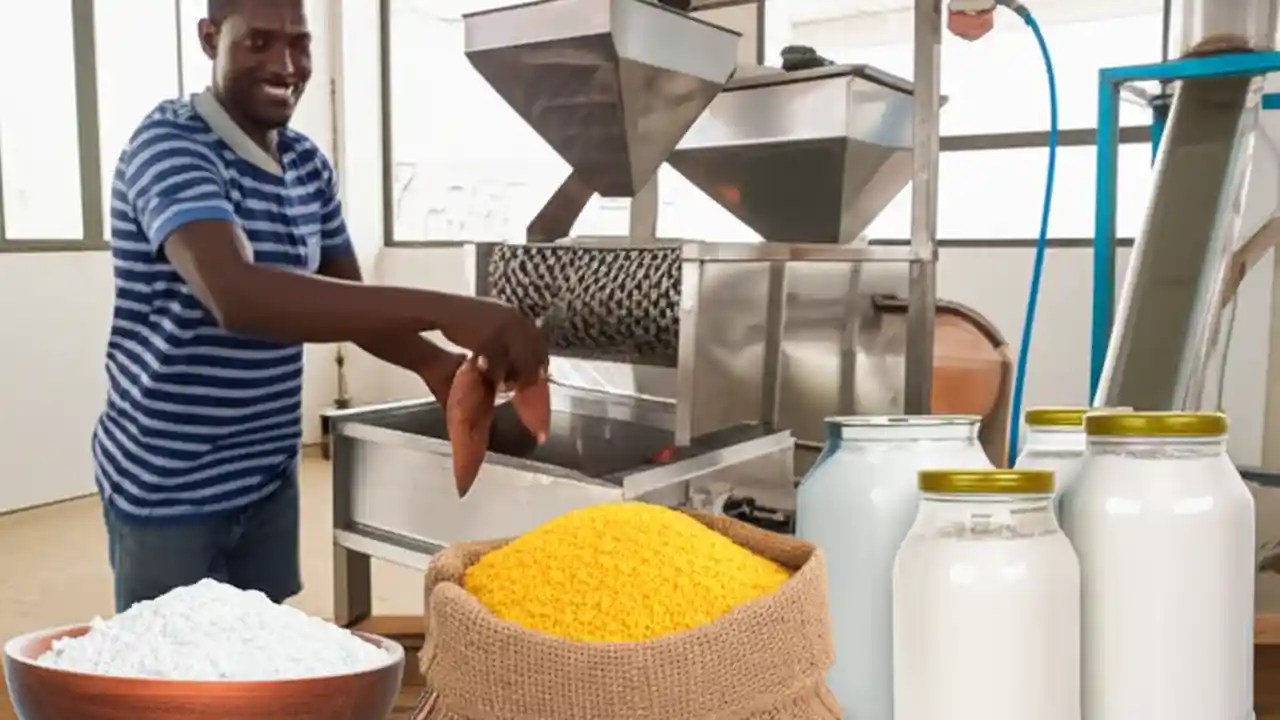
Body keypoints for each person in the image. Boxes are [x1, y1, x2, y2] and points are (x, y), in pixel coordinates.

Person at [93, 0, 547, 613]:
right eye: (258, 42)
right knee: (173, 675)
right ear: (209, 39)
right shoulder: (170, 146)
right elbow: (237, 294)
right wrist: (448, 308)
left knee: (261, 649)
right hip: (169, 484)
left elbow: (353, 302)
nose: (285, 65)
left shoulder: (306, 163)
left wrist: (433, 364)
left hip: (265, 473)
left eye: (299, 43)